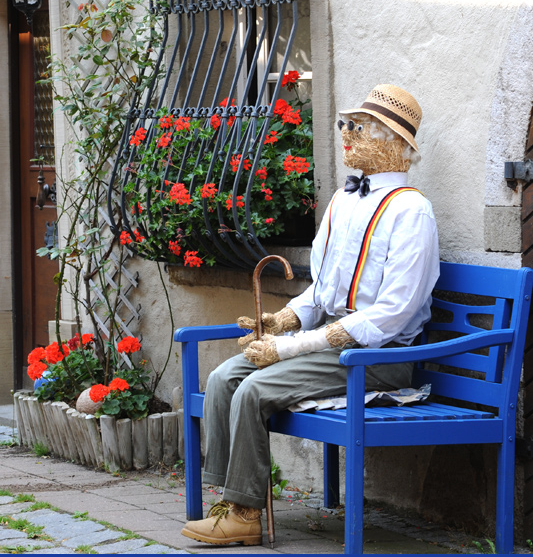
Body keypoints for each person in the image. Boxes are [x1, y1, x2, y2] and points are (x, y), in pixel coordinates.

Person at [180, 84, 440, 546]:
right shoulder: (343, 201)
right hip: (332, 347)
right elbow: (320, 292)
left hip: (379, 358)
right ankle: (230, 497)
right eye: (345, 125)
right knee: (223, 377)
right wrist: (283, 320)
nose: (345, 134)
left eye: (356, 127)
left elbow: (392, 316)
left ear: (392, 142)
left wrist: (292, 345)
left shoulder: (412, 212)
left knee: (255, 388)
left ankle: (244, 513)